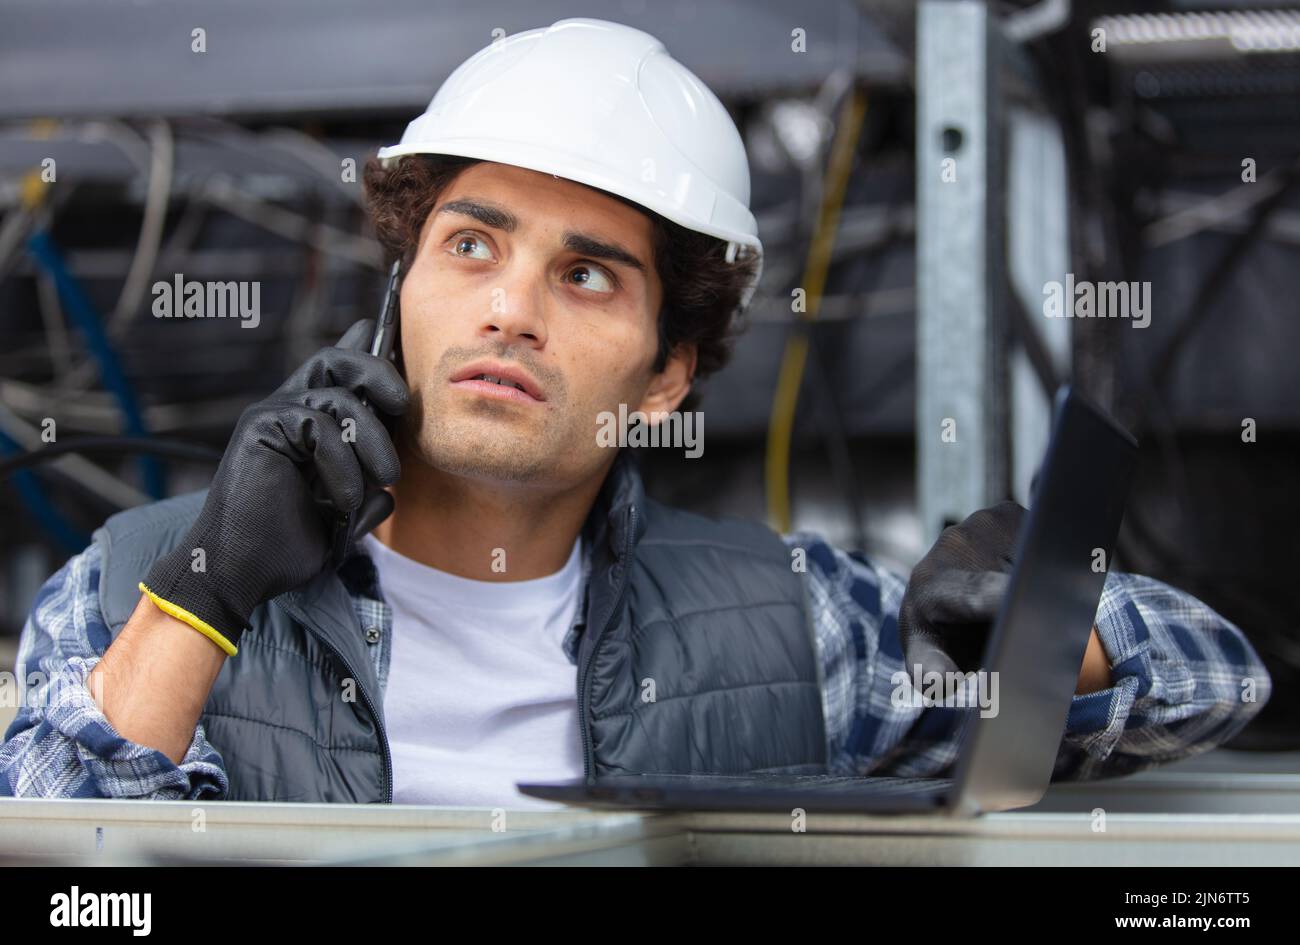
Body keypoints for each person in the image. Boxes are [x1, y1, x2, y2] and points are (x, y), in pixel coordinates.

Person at [0, 18, 1270, 805]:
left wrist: (1050, 628)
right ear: (397, 295)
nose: (510, 310)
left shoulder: (788, 622)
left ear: (666, 373)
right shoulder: (128, 591)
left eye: (586, 273)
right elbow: (72, 880)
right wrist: (207, 591)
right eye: (471, 246)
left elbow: (1218, 675)